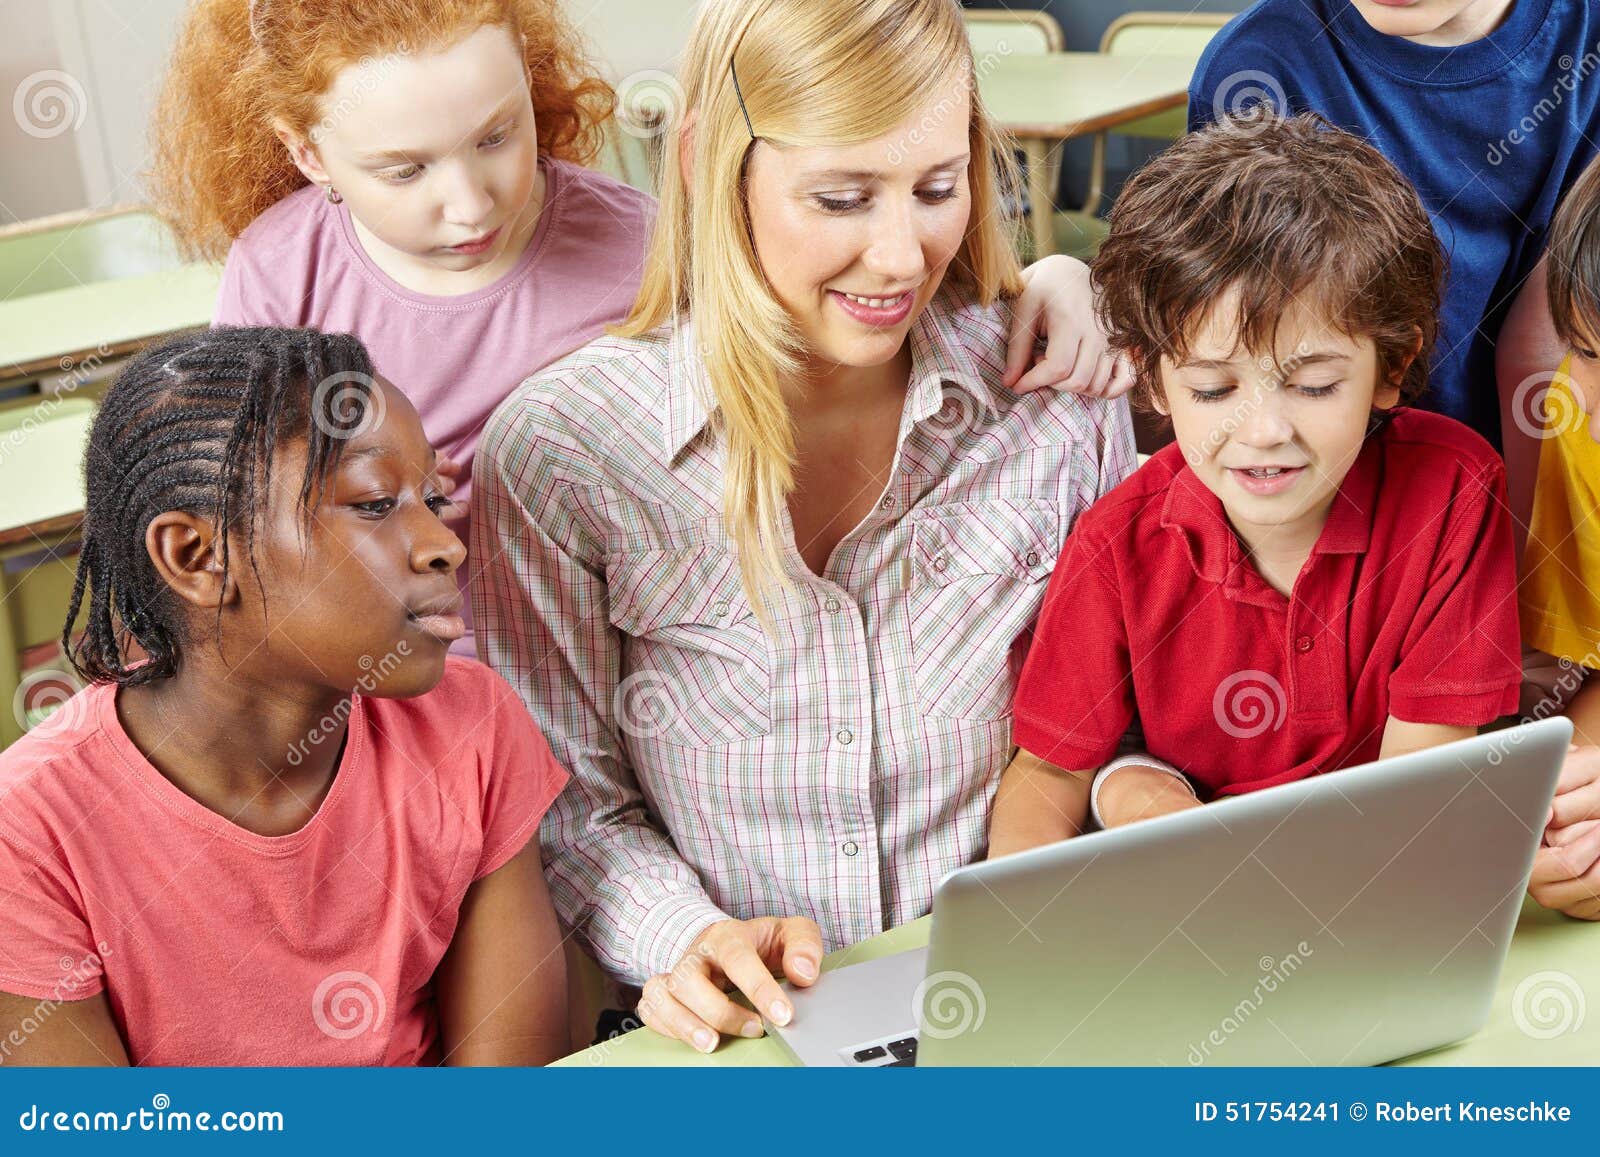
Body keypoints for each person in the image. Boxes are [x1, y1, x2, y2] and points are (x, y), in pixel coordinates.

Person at [471, 0, 1135, 1054]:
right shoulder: (564, 451)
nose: (897, 254)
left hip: (1035, 1003)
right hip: (744, 1042)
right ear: (705, 163)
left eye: (936, 186)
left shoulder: (1053, 402)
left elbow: (1128, 718)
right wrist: (681, 933)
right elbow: (565, 800)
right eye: (839, 196)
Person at [151, 0, 1132, 652]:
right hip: (388, 664)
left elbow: (793, 352)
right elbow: (252, 518)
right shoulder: (279, 272)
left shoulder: (639, 248)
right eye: (405, 171)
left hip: (610, 650)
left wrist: (1039, 274)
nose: (467, 202)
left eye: (498, 136)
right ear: (308, 152)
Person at [0, 328, 569, 1064]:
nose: (444, 543)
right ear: (199, 556)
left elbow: (505, 1105)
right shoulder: (31, 834)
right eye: (373, 503)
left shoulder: (470, 727)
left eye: (432, 495)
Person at [992, 112, 1521, 854]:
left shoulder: (1454, 493)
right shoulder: (1115, 547)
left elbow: (1416, 803)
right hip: (1189, 911)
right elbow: (1047, 775)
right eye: (1212, 389)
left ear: (1391, 368)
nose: (1263, 430)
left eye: (1312, 385)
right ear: (1152, 379)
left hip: (1374, 890)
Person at [1189, 0, 1600, 443]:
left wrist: (1523, 509)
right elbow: (1237, 326)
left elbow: (1544, 344)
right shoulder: (1256, 65)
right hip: (1345, 466)